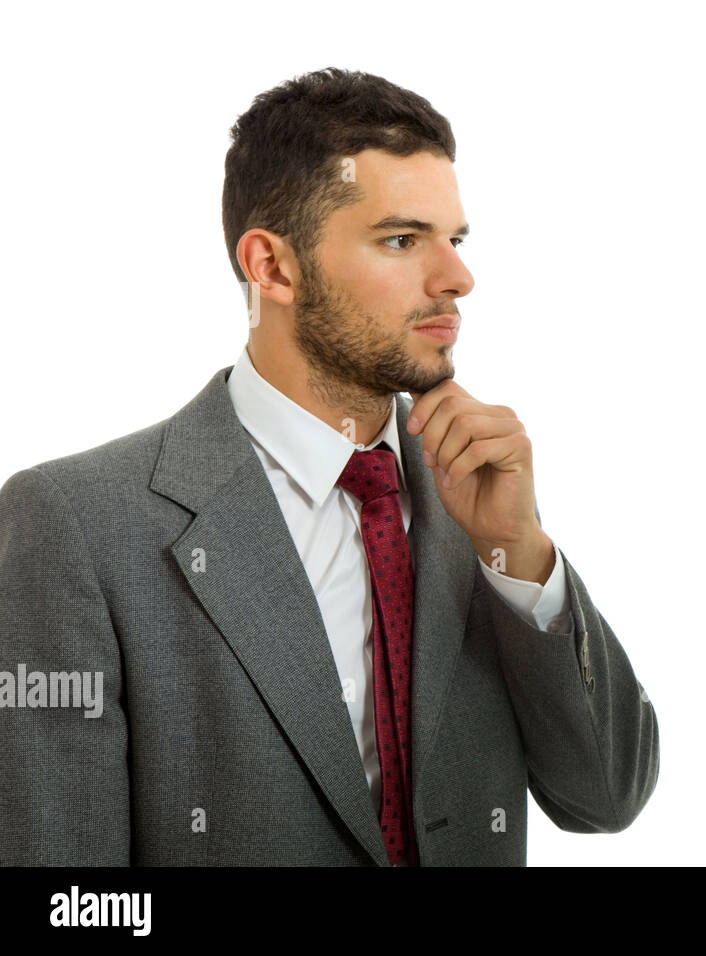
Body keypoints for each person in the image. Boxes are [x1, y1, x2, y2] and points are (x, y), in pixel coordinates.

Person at [0, 67, 658, 866]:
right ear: (272, 268)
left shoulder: (476, 498)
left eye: (456, 240)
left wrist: (520, 554)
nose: (457, 278)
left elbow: (608, 796)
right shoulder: (78, 526)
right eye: (402, 239)